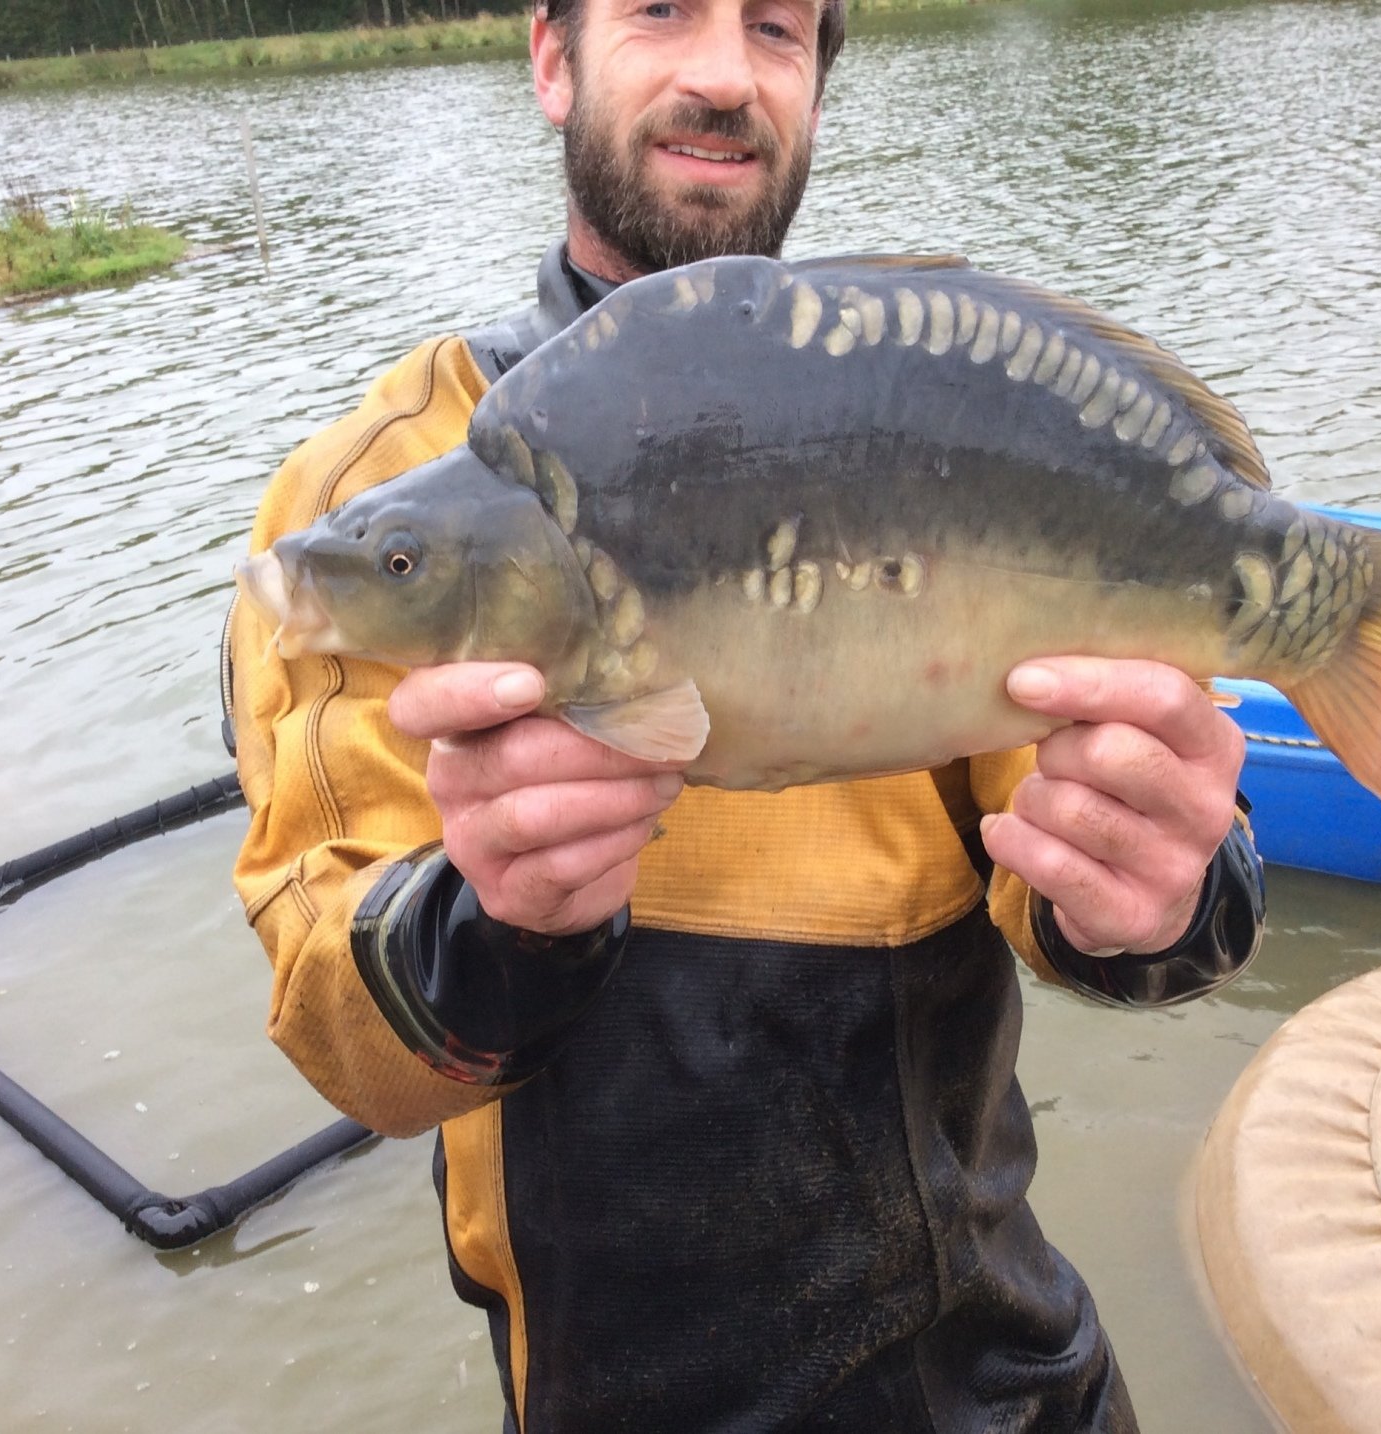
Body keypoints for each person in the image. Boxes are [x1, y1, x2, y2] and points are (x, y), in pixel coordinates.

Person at [227, 0, 1265, 1427]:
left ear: (817, 91)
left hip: (1008, 1378)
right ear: (553, 57)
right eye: (661, 10)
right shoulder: (377, 509)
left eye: (777, 28)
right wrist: (497, 928)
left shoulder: (931, 404)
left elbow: (1118, 904)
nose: (723, 74)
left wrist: (1168, 890)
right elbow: (336, 1028)